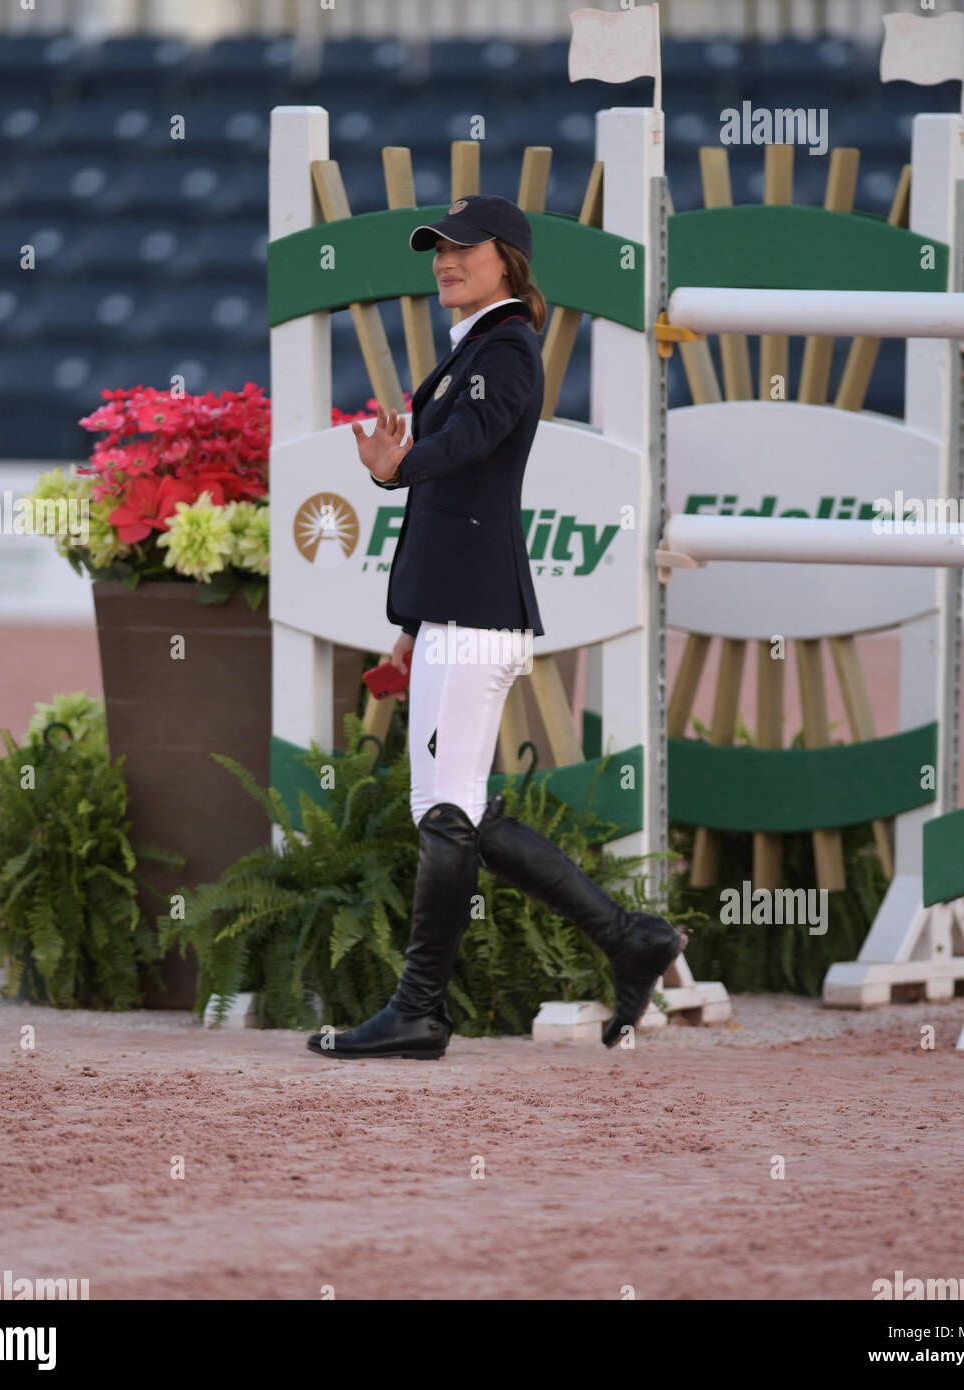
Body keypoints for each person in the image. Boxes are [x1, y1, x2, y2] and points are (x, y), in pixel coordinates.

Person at [306, 194, 684, 1061]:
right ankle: (630, 940)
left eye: (464, 250)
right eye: (438, 251)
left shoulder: (506, 345)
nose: (445, 262)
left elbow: (472, 442)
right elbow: (452, 493)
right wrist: (412, 625)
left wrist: (402, 465)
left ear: (508, 261)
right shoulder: (477, 345)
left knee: (443, 812)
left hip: (475, 620)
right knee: (461, 811)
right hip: (459, 617)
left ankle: (419, 1010)